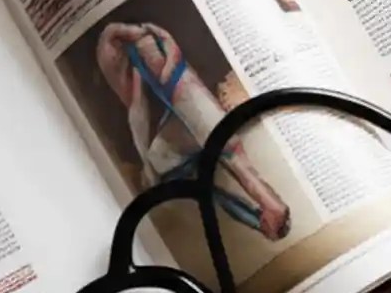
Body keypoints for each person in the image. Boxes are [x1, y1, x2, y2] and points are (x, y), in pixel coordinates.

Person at [96, 22, 291, 241]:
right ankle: (268, 214)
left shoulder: (155, 44)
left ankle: (272, 209)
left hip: (193, 104)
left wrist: (167, 63)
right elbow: (138, 110)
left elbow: (169, 56)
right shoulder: (139, 62)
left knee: (230, 153)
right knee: (213, 162)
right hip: (186, 119)